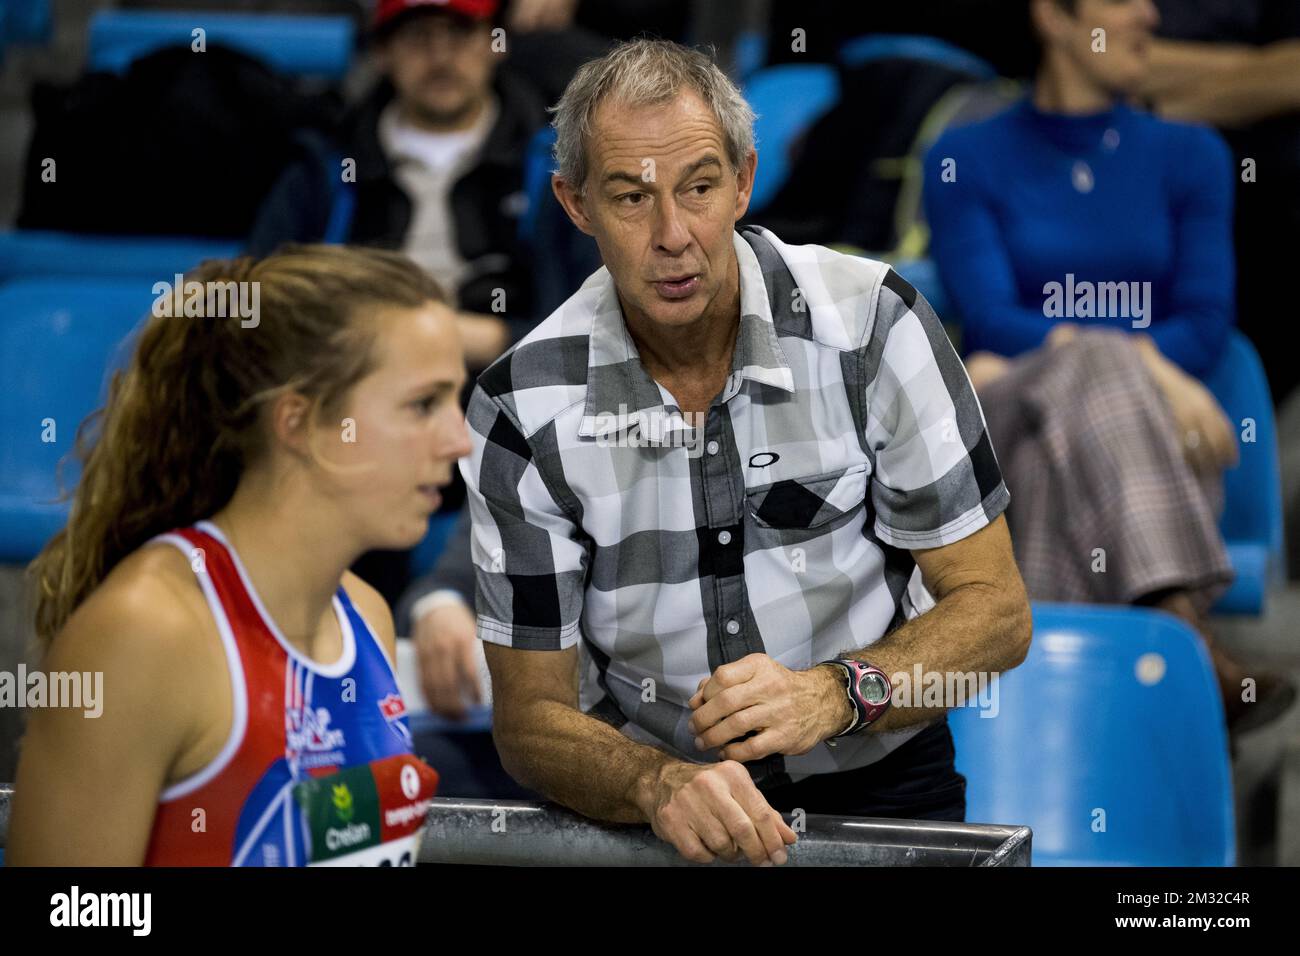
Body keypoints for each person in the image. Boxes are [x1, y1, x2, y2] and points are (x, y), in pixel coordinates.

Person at [460, 39, 1032, 866]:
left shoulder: (873, 323)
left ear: (743, 181)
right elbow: (527, 721)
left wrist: (837, 694)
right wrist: (654, 784)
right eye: (630, 197)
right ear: (573, 204)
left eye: (698, 187)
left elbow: (997, 611)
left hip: (881, 774)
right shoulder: (524, 402)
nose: (673, 235)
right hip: (649, 806)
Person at [8, 246, 470, 865]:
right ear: (298, 422)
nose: (460, 439)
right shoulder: (148, 632)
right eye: (423, 404)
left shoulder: (365, 616)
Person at [923, 0, 1295, 733]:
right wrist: (1149, 368)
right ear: (1054, 19)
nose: (1148, 15)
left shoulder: (1194, 156)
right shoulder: (964, 156)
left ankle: (1053, 757)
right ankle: (1181, 654)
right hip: (1005, 419)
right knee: (1080, 379)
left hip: (1134, 452)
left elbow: (1207, 321)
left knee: (1053, 468)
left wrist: (1120, 366)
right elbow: (990, 316)